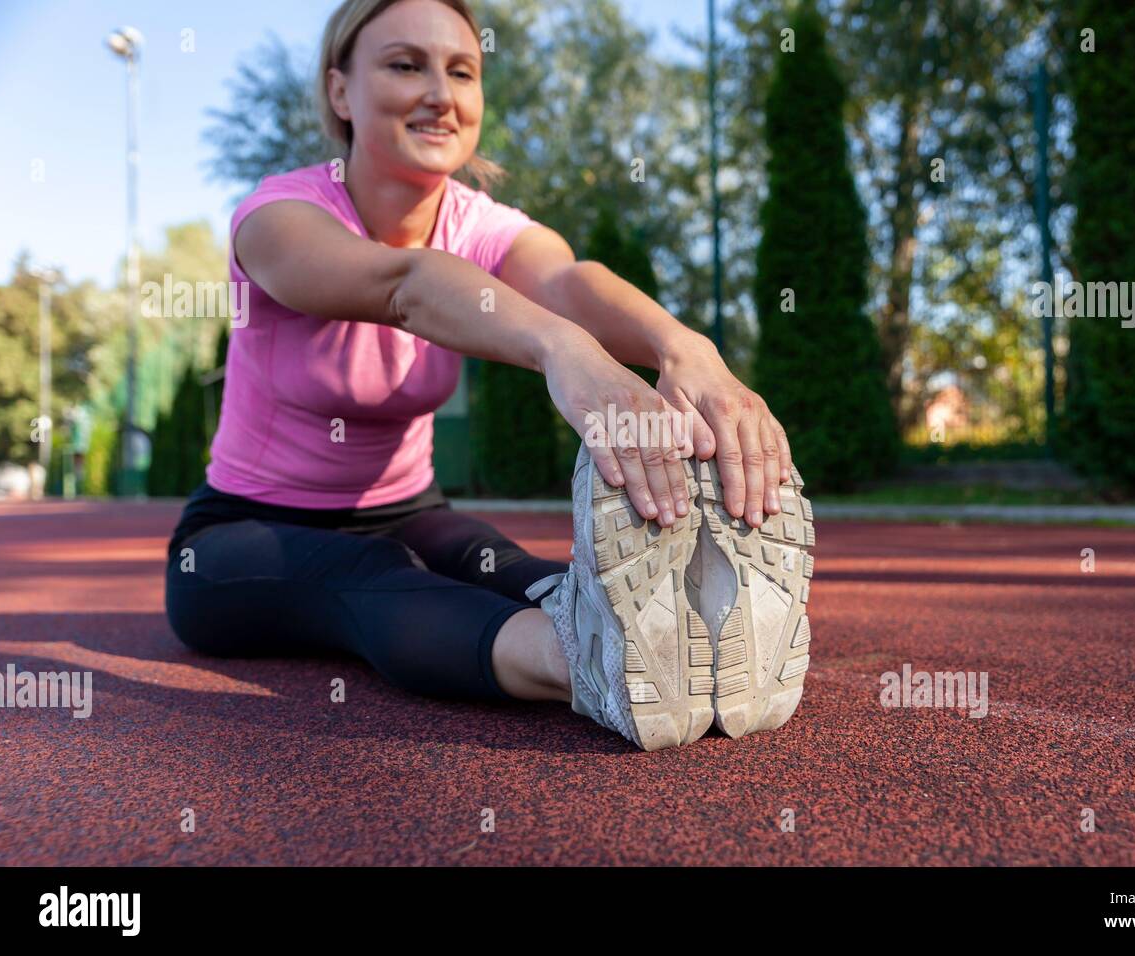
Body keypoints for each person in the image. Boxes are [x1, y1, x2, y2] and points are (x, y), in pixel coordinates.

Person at [164, 0, 814, 751]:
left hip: (410, 508)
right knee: (370, 571)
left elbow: (567, 280)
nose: (440, 92)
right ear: (341, 92)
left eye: (462, 71)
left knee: (497, 561)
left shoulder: (482, 225)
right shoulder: (279, 217)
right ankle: (590, 665)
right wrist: (559, 350)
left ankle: (693, 636)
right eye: (406, 65)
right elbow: (402, 284)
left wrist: (683, 347)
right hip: (244, 531)